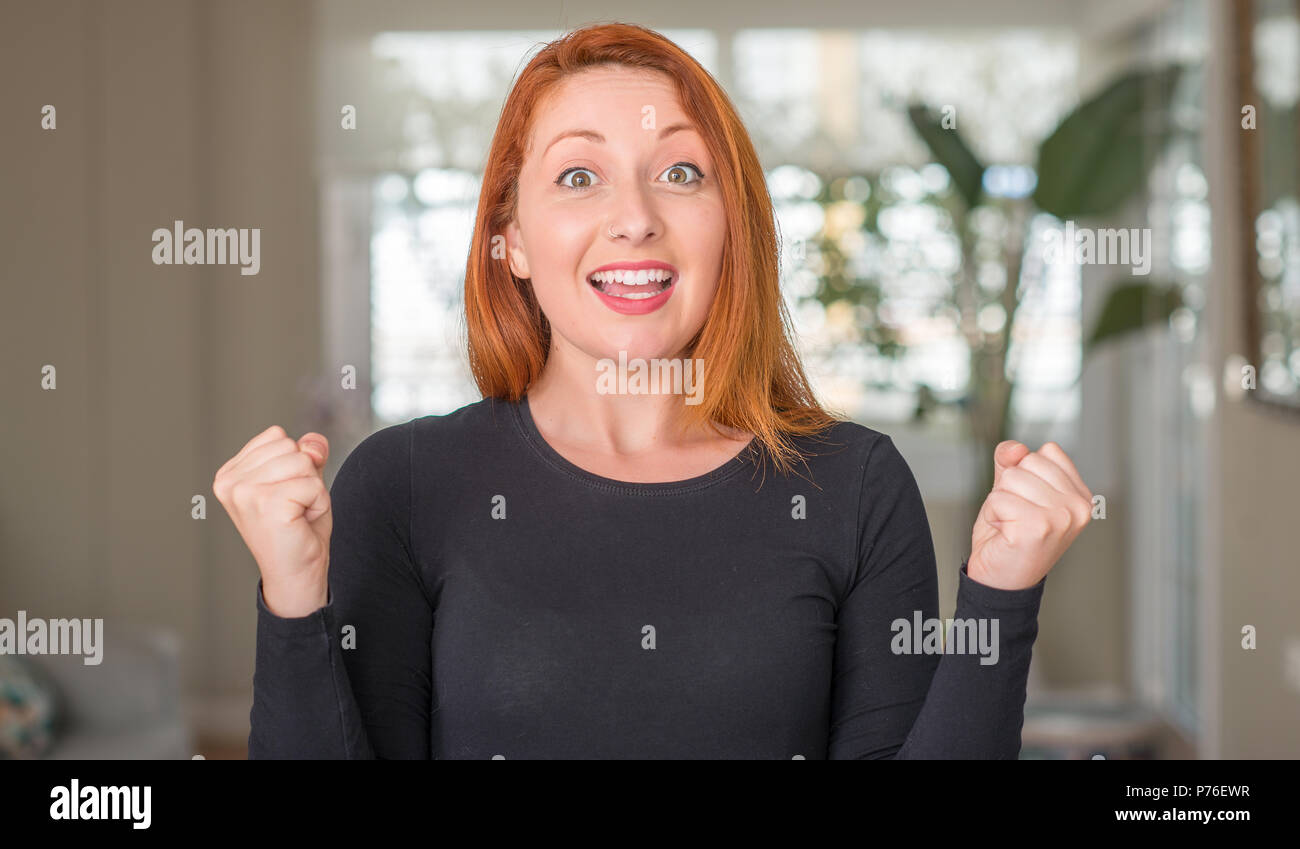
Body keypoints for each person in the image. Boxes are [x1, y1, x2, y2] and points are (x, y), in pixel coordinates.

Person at [213, 22, 1093, 759]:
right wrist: (294, 597)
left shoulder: (856, 486)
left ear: (733, 227)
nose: (635, 215)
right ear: (510, 241)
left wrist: (1001, 592)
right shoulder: (401, 483)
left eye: (680, 172)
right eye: (578, 176)